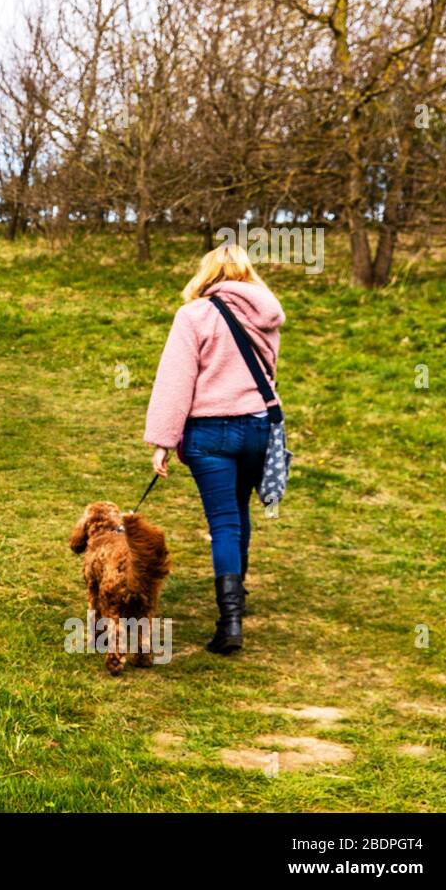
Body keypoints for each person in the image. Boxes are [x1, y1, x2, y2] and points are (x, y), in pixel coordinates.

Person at [144, 243, 285, 654]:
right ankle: (236, 600)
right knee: (239, 512)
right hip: (258, 428)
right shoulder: (267, 316)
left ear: (206, 273)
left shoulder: (194, 315)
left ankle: (231, 624)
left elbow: (176, 380)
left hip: (211, 433)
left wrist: (163, 441)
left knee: (223, 522)